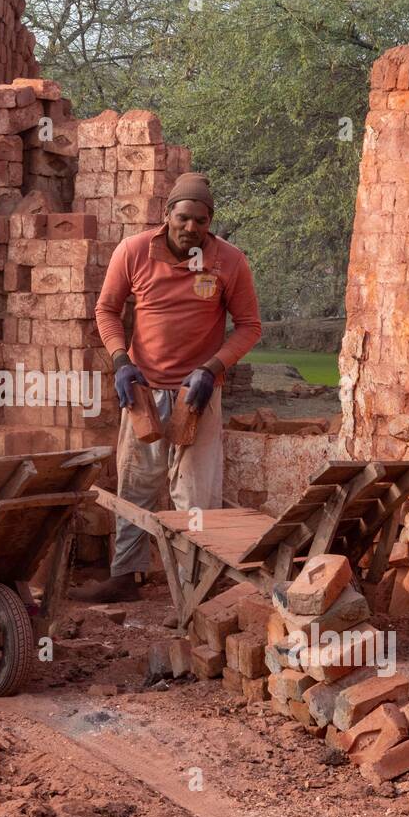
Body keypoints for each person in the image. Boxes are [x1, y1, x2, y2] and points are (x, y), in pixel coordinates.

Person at [75, 172, 263, 602]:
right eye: (183, 217)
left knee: (195, 495)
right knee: (136, 483)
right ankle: (125, 576)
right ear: (167, 215)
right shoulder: (135, 251)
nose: (191, 228)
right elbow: (106, 309)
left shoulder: (229, 261)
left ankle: (194, 587)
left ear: (210, 221)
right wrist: (121, 361)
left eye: (201, 220)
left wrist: (211, 368)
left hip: (197, 394)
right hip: (142, 389)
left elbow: (249, 327)